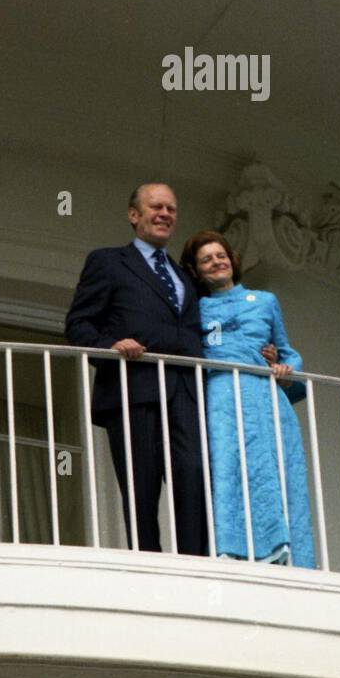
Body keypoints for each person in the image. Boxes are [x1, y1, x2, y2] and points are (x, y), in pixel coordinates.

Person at [65, 183, 207, 555]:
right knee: (141, 484)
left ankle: (196, 567)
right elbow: (79, 324)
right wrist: (107, 347)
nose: (164, 214)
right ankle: (149, 565)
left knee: (193, 478)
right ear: (134, 215)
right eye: (156, 207)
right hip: (133, 389)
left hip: (185, 393)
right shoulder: (109, 261)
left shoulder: (186, 276)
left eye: (171, 209)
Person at [181, 230, 316, 568]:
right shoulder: (197, 309)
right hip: (222, 392)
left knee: (272, 467)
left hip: (263, 395)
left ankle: (281, 549)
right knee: (227, 465)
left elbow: (290, 353)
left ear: (233, 260)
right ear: (196, 271)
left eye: (220, 255)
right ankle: (232, 548)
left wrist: (283, 366)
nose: (216, 262)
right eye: (206, 260)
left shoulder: (265, 300)